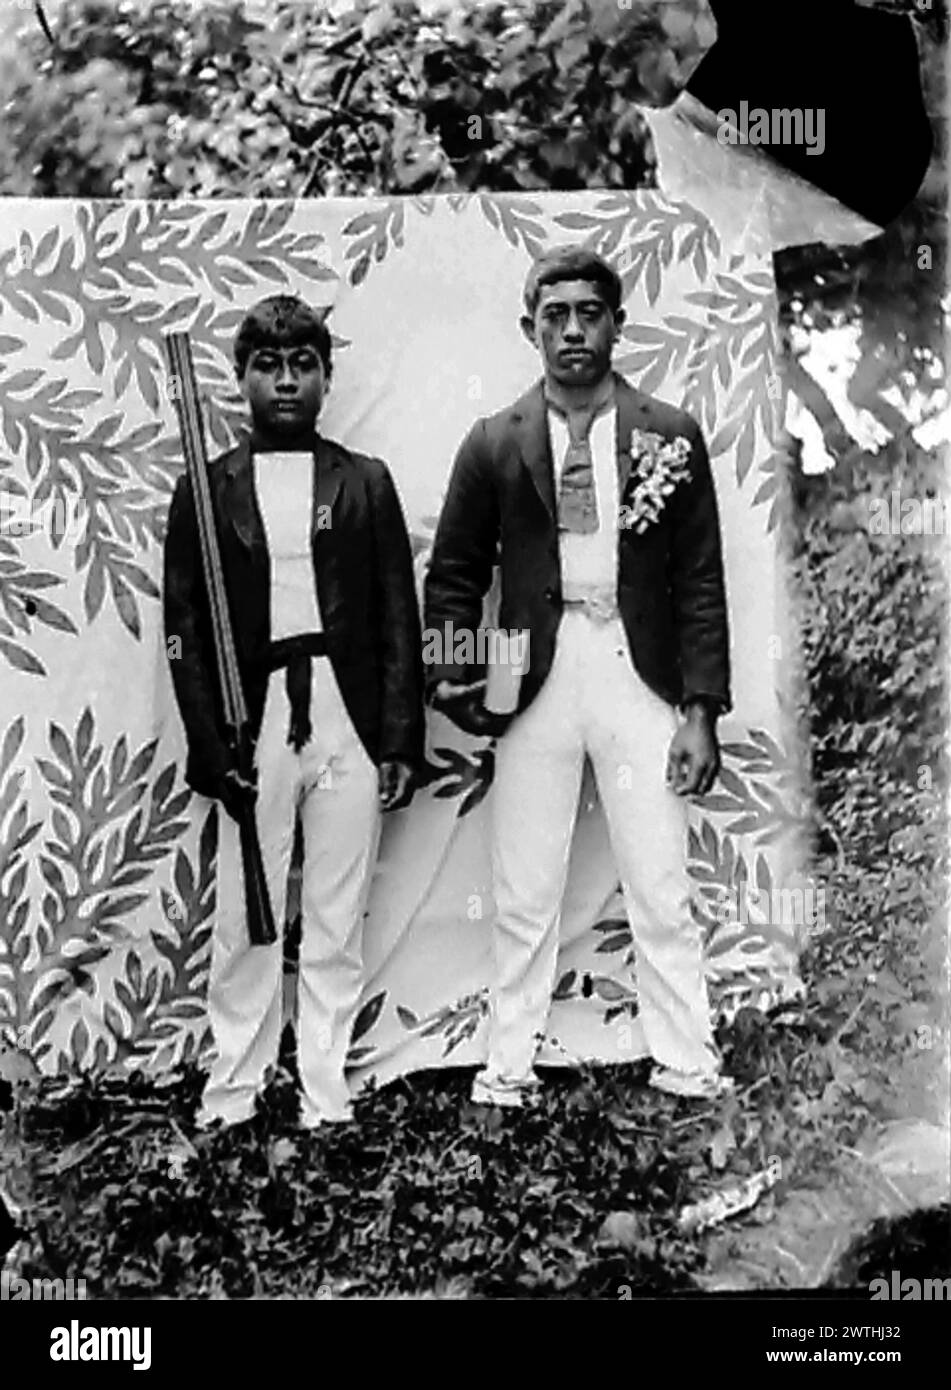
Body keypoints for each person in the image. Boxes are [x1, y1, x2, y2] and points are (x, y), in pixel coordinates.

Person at [424, 246, 734, 1106]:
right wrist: (452, 673)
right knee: (525, 884)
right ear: (530, 328)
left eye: (588, 313)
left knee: (659, 877)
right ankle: (508, 1066)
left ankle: (687, 1060)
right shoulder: (494, 441)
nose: (571, 330)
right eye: (553, 315)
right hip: (532, 669)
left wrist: (700, 709)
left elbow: (699, 578)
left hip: (635, 668)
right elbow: (452, 573)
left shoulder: (667, 434)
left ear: (615, 324)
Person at [164, 295, 423, 1129]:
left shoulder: (363, 482)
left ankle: (323, 1084)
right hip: (256, 717)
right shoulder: (206, 493)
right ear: (241, 379)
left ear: (325, 377)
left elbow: (396, 618)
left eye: (302, 365)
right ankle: (234, 1088)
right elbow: (186, 631)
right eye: (268, 366)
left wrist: (399, 739)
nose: (286, 381)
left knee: (337, 912)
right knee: (249, 909)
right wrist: (211, 745)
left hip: (346, 711)